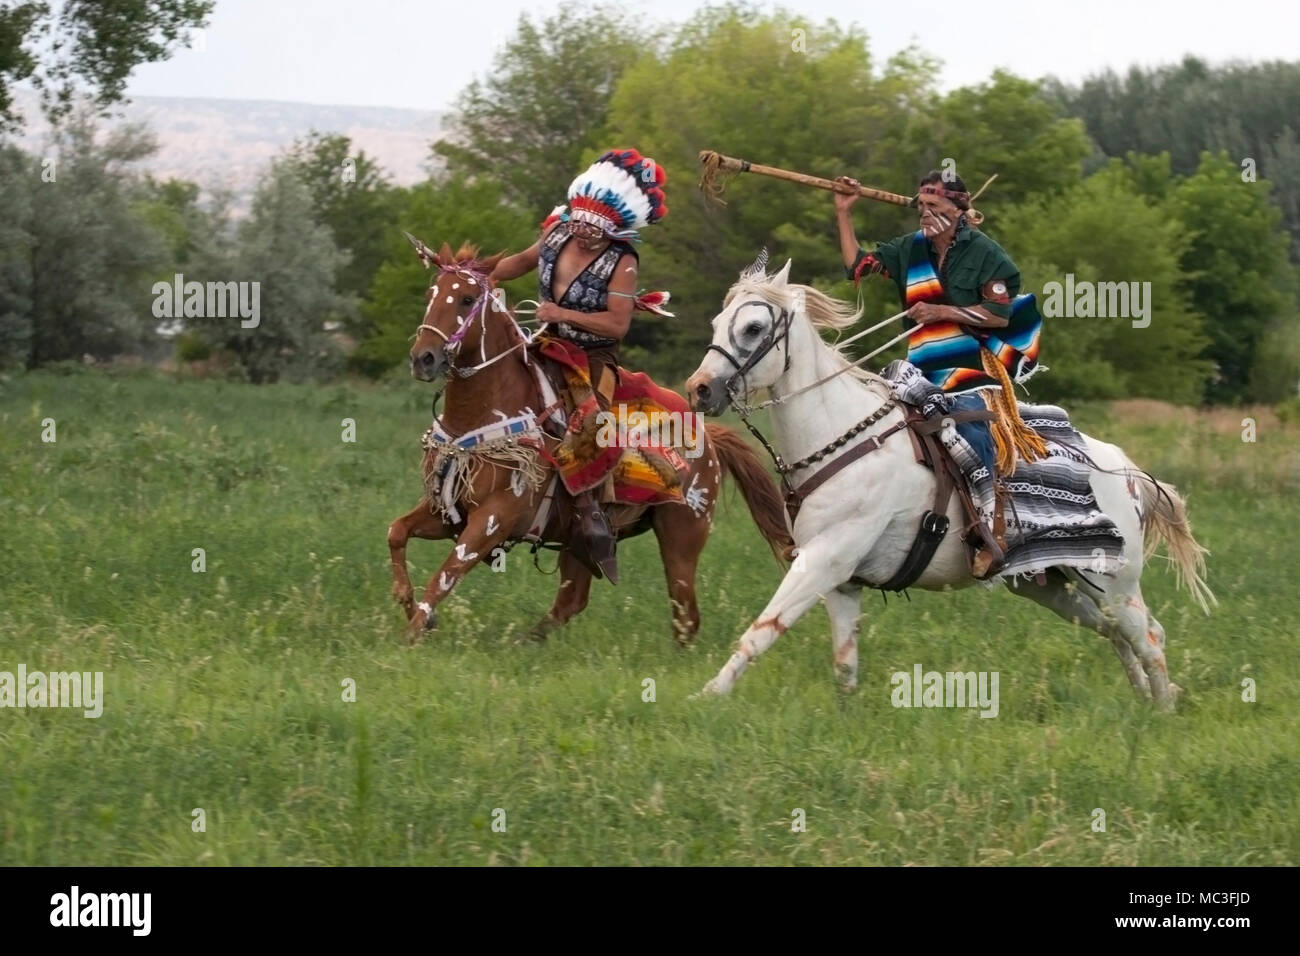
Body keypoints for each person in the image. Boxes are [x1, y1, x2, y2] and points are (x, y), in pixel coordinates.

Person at [833, 169, 1043, 577]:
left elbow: (998, 316)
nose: (924, 214)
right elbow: (857, 267)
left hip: (970, 365)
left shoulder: (987, 254)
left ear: (959, 209)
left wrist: (941, 311)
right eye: (921, 206)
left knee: (971, 424)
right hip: (917, 366)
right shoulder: (911, 249)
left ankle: (990, 528)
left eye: (934, 206)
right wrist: (844, 212)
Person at [490, 148, 670, 583]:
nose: (585, 238)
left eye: (596, 233)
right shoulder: (556, 234)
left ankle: (593, 512)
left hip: (594, 357)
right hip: (546, 344)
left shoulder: (623, 261)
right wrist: (479, 276)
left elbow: (617, 324)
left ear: (614, 229)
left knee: (590, 423)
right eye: (580, 229)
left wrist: (563, 314)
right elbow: (516, 263)